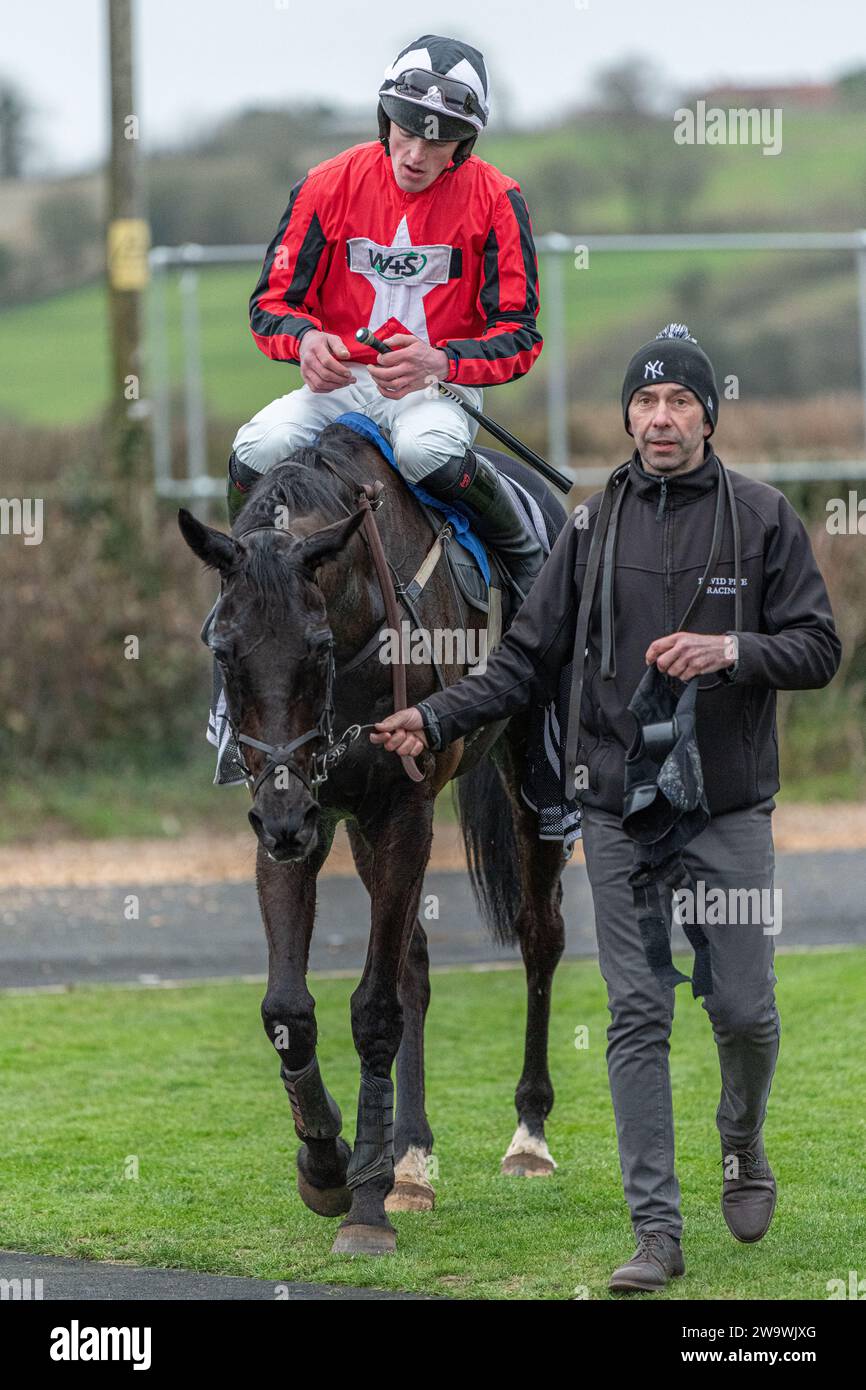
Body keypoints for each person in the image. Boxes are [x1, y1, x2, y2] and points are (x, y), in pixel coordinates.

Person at [372, 323, 842, 1293]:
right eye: (643, 401)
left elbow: (815, 647)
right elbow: (521, 660)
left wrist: (730, 653)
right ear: (627, 416)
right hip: (615, 809)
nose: (658, 417)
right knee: (635, 1016)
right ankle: (655, 1235)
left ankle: (739, 1142)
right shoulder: (589, 527)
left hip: (726, 809)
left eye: (677, 401)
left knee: (744, 1011)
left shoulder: (759, 519)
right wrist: (432, 711)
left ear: (707, 415)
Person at [226, 33, 545, 598]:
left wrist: (441, 361)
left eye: (438, 141)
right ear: (385, 121)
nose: (416, 156)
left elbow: (519, 337)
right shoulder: (325, 186)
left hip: (436, 391)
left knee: (425, 452)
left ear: (464, 144)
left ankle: (528, 562)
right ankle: (241, 579)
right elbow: (269, 307)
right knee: (255, 448)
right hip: (341, 385)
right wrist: (303, 341)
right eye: (405, 133)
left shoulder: (498, 200)